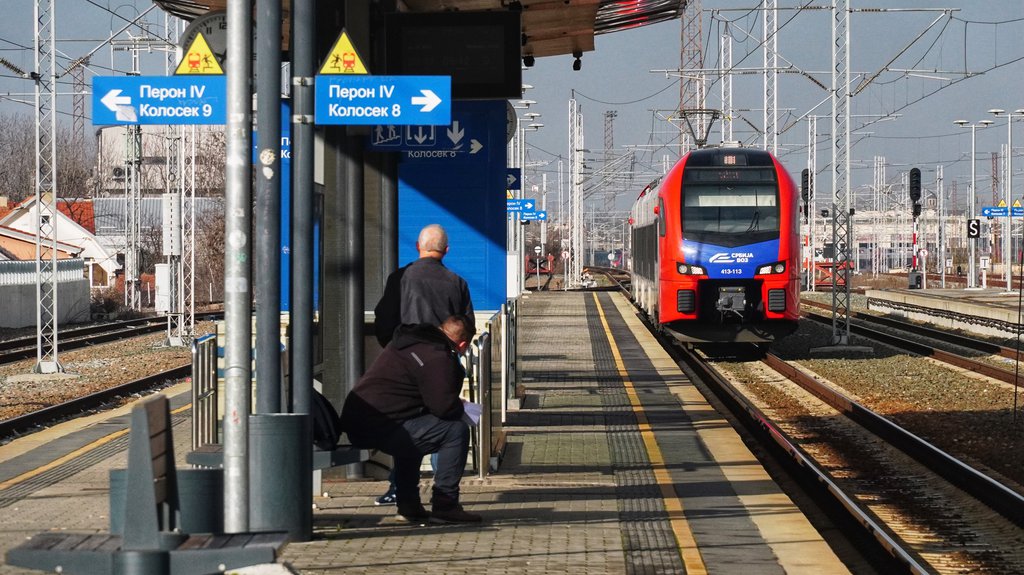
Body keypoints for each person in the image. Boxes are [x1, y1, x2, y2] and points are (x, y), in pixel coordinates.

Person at [341, 315, 481, 524]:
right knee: (455, 430)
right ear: (462, 344)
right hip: (380, 425)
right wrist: (458, 406)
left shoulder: (410, 342)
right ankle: (446, 503)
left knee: (415, 432)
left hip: (364, 420)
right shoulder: (437, 356)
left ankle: (409, 505)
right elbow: (443, 408)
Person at [371, 223, 475, 505]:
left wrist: (396, 352)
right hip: (442, 367)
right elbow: (467, 327)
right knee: (445, 422)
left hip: (405, 368)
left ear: (418, 247)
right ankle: (443, 489)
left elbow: (384, 322)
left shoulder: (400, 279)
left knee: (410, 424)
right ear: (446, 250)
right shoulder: (457, 283)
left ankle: (401, 488)